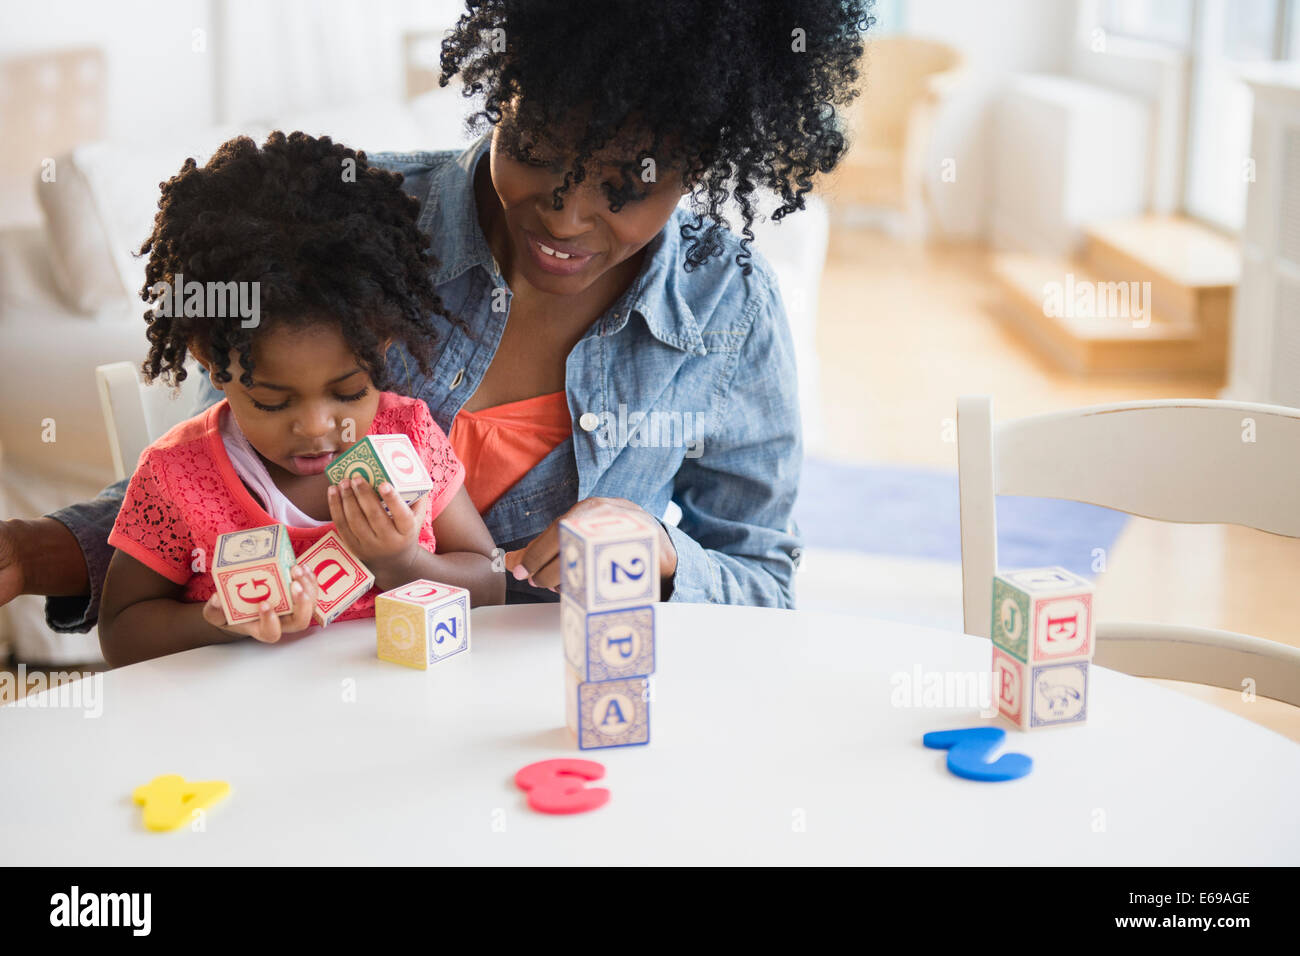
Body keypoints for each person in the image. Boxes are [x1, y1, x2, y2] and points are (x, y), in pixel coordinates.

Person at [0, 0, 873, 637]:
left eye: (628, 187)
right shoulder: (347, 227)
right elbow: (208, 482)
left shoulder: (728, 308)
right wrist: (42, 551)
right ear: (504, 92)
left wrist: (660, 551)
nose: (564, 219)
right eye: (533, 151)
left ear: (702, 169)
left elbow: (764, 582)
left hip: (546, 713)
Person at [97, 132, 503, 666]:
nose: (316, 427)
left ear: (382, 347)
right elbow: (121, 633)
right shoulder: (178, 477)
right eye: (271, 400)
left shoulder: (407, 437)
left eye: (349, 391)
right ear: (209, 358)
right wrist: (220, 622)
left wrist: (403, 561)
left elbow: (491, 586)